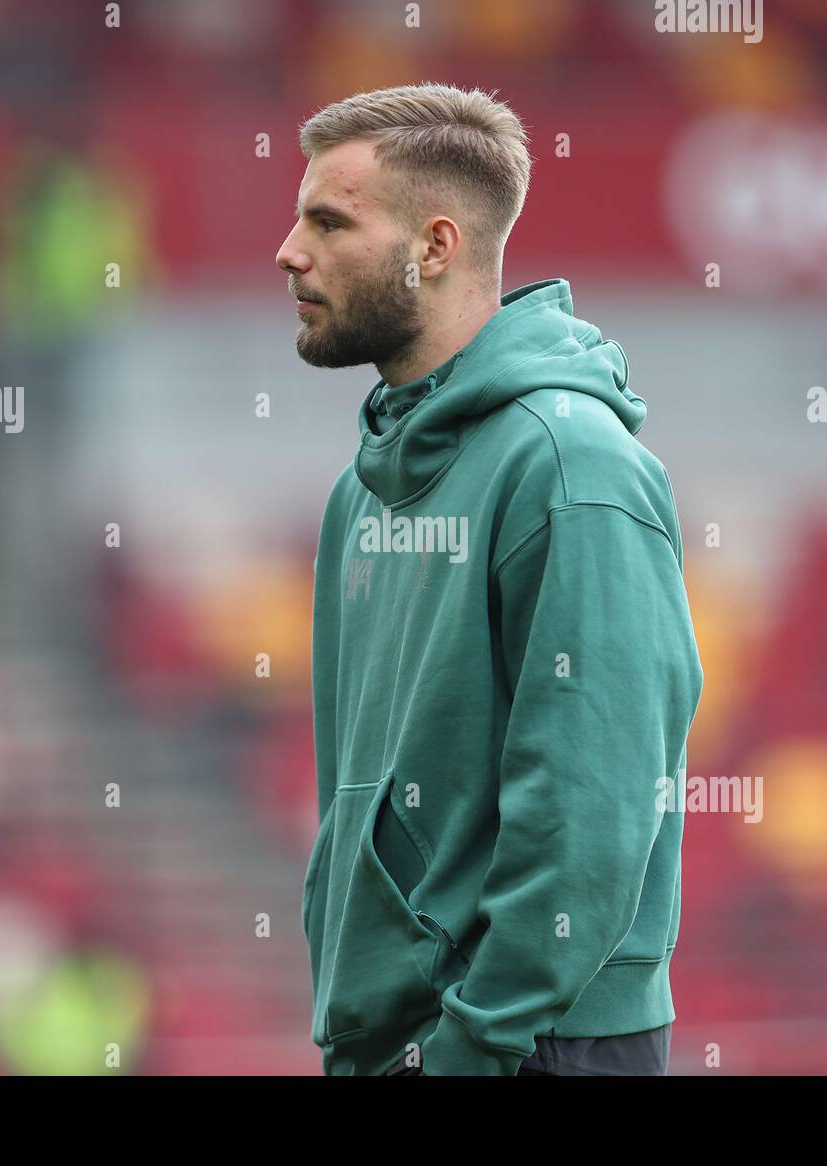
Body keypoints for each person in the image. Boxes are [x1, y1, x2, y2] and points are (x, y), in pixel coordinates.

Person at [277, 82, 703, 1077]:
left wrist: (474, 1040)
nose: (289, 250)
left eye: (329, 220)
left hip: (531, 1043)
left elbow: (594, 803)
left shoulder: (569, 467)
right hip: (394, 1036)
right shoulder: (361, 490)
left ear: (434, 246)